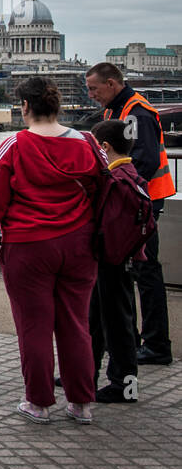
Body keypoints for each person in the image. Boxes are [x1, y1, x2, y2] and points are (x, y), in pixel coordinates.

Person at [0, 76, 101, 425]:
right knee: (76, 323)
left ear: (25, 107)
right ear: (57, 105)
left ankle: (39, 402)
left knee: (34, 325)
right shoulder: (88, 143)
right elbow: (102, 188)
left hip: (28, 245)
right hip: (79, 243)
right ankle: (81, 403)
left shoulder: (14, 146)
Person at [85, 62, 173, 365]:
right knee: (130, 274)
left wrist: (117, 192)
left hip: (141, 206)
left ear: (112, 84)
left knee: (146, 273)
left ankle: (156, 345)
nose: (91, 95)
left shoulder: (136, 111)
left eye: (94, 89)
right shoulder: (116, 111)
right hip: (134, 203)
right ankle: (129, 340)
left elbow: (143, 162)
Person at [87, 118, 147, 403]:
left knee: (115, 322)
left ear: (105, 147)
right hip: (122, 257)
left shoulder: (114, 180)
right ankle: (87, 370)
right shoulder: (130, 174)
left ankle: (123, 383)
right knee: (99, 317)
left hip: (110, 258)